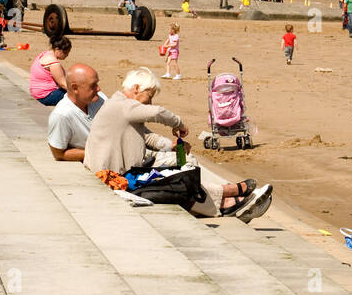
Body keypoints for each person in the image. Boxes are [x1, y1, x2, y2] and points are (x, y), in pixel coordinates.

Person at [82, 68, 272, 222]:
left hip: (123, 171)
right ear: (137, 88)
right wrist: (179, 123)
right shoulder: (124, 106)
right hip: (114, 177)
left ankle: (228, 200)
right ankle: (227, 198)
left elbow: (146, 137)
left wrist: (170, 146)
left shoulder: (122, 107)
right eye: (150, 95)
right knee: (177, 182)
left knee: (185, 162)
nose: (150, 101)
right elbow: (157, 112)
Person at [47, 63, 105, 161]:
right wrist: (97, 154)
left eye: (97, 83)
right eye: (93, 85)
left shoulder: (100, 99)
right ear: (75, 88)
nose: (98, 89)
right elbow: (59, 154)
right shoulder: (62, 115)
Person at [30, 36, 73, 106]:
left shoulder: (43, 54)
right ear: (57, 49)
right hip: (46, 95)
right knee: (79, 97)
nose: (67, 55)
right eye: (65, 52)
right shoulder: (53, 62)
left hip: (37, 93)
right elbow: (63, 84)